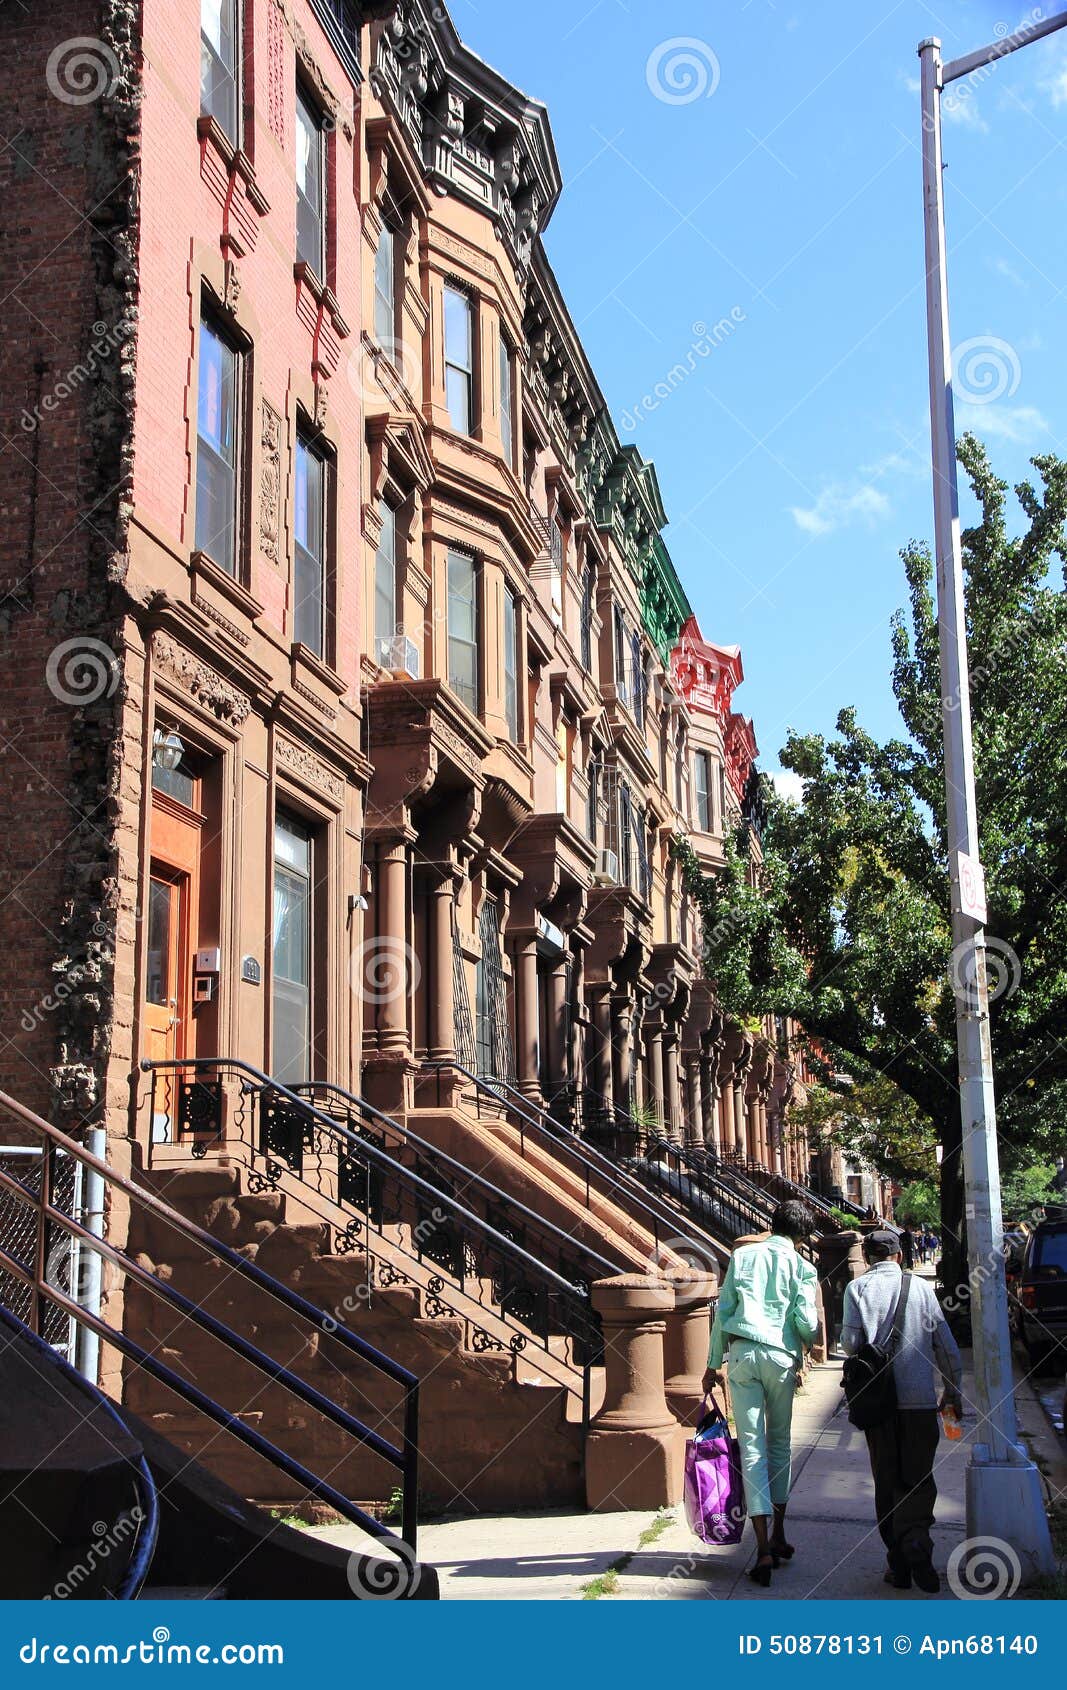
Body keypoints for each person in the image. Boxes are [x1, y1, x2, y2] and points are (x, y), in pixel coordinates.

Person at [702, 1201, 820, 1586]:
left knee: (751, 1448)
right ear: (801, 1236)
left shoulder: (743, 1257)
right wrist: (809, 1338)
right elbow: (807, 1321)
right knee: (779, 1444)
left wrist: (712, 1363)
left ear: (772, 1224)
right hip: (780, 1356)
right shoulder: (803, 1267)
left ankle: (764, 1548)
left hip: (742, 1354)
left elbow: (723, 1313)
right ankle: (780, 1532)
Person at [841, 1229, 963, 1594]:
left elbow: (850, 1344)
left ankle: (898, 1560)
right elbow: (947, 1348)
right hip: (919, 1403)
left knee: (886, 1480)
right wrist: (952, 1393)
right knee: (919, 1479)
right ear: (898, 1256)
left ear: (867, 1257)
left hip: (877, 1405)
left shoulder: (857, 1289)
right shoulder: (922, 1290)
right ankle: (917, 1541)